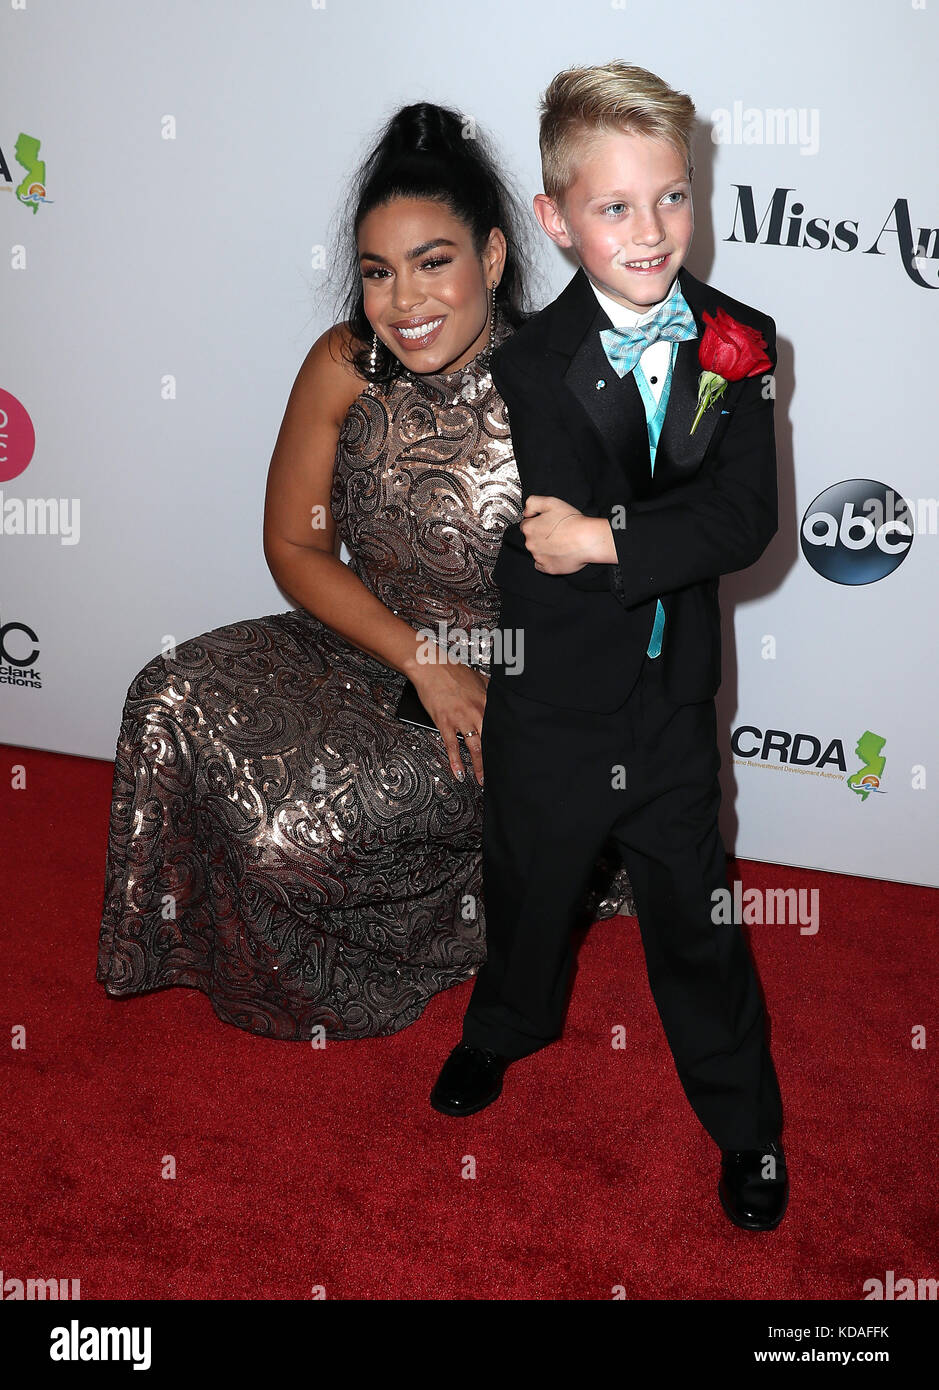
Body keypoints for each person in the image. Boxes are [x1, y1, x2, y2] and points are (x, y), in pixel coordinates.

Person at [95, 102, 635, 1043]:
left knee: (293, 833)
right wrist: (414, 652)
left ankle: (479, 908)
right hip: (363, 633)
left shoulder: (562, 385)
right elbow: (295, 548)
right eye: (379, 273)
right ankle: (185, 951)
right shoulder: (345, 363)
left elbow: (611, 599)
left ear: (494, 261)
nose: (405, 301)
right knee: (164, 695)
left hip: (501, 676)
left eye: (435, 263)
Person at [429, 64, 788, 1232]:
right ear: (555, 219)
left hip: (672, 704)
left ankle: (749, 1127)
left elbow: (743, 521)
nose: (651, 231)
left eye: (672, 198)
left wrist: (607, 535)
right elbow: (542, 526)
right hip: (555, 695)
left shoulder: (745, 344)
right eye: (616, 207)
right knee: (529, 888)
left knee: (698, 914)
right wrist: (591, 537)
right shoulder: (528, 361)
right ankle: (502, 1029)